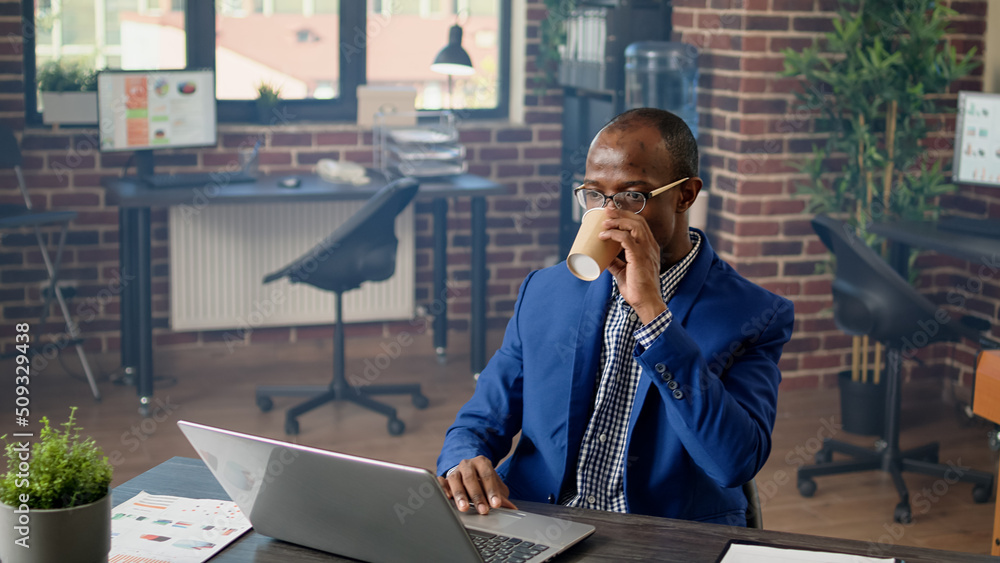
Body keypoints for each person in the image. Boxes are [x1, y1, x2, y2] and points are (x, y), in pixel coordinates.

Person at [436, 107, 795, 526]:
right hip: (537, 518)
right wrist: (464, 458)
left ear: (685, 195)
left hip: (659, 540)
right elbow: (482, 418)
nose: (609, 214)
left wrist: (653, 314)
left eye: (632, 196)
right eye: (595, 194)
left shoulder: (754, 314)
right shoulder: (545, 291)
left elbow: (735, 461)